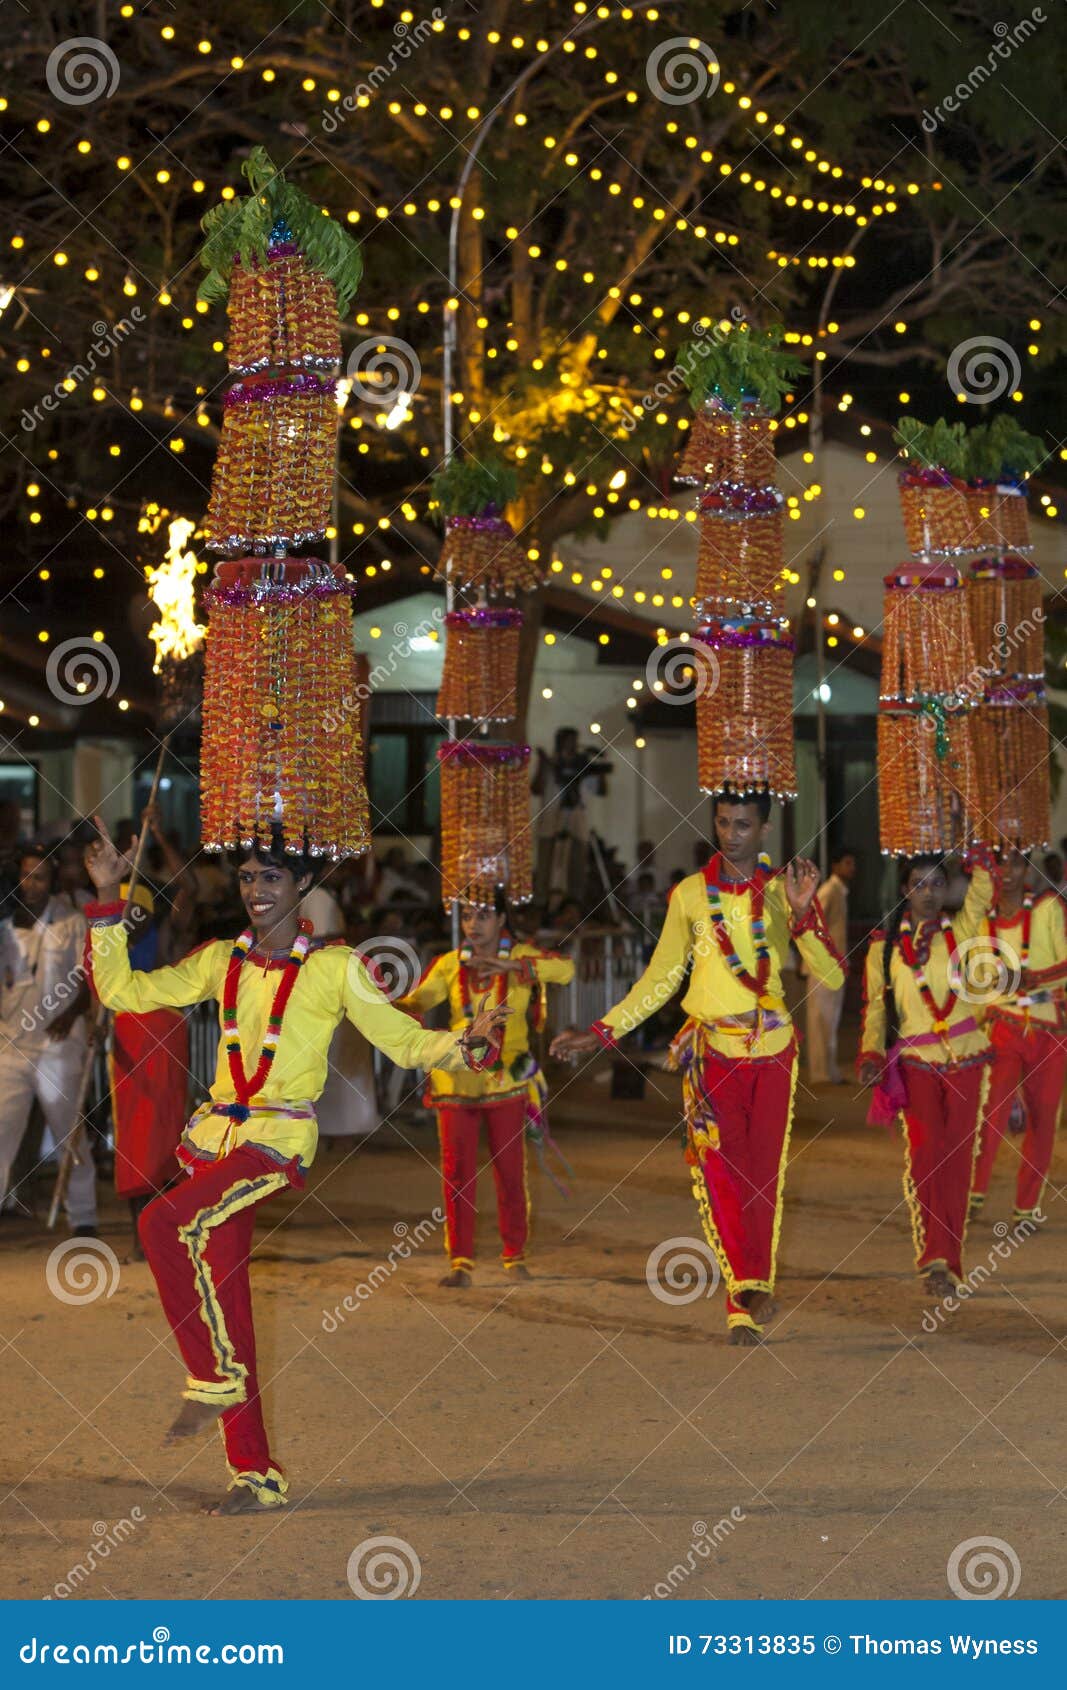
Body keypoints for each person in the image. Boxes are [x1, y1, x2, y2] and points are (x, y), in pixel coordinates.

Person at [84, 815, 509, 1516]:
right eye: (248, 876)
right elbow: (125, 993)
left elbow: (403, 1043)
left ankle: (211, 1378)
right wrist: (106, 903)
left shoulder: (336, 967)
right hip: (214, 1141)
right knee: (231, 1305)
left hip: (273, 1145)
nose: (255, 889)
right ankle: (255, 1472)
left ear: (305, 882)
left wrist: (471, 1046)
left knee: (162, 1223)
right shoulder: (219, 959)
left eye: (271, 877)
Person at [552, 790, 843, 1344]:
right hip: (712, 1055)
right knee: (722, 1173)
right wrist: (601, 1033)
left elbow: (831, 978)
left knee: (763, 1179)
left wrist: (804, 919)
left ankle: (755, 1279)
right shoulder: (689, 895)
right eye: (724, 822)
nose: (731, 833)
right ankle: (742, 1297)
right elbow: (660, 979)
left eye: (744, 824)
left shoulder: (785, 891)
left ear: (764, 830)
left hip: (774, 1049)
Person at [398, 897, 575, 1286]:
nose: (474, 925)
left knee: (510, 1171)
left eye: (484, 915)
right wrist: (384, 998)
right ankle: (459, 1260)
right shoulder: (450, 964)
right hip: (457, 1079)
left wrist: (512, 966)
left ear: (502, 918)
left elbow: (566, 970)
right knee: (457, 1173)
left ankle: (515, 1253)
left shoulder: (523, 958)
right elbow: (421, 999)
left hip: (505, 1081)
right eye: (468, 916)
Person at [857, 852, 996, 1298]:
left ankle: (945, 1258)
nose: (929, 893)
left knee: (957, 1160)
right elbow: (876, 1010)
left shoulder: (965, 930)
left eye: (938, 883)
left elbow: (982, 892)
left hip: (967, 1058)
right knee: (923, 1157)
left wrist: (980, 853)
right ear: (904, 890)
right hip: (916, 1062)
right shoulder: (883, 949)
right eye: (919, 883)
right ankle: (936, 1250)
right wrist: (870, 1052)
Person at [88, 806, 197, 1258]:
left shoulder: (167, 940)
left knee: (169, 1132)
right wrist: (98, 1023)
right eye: (125, 912)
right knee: (133, 1137)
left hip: (167, 1034)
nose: (131, 919)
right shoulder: (112, 945)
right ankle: (141, 1238)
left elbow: (187, 887)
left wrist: (157, 836)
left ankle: (168, 1232)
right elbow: (99, 980)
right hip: (128, 1039)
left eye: (138, 912)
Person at [0, 846, 96, 1233]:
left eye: (39, 876)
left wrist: (72, 1014)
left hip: (58, 1046)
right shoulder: (5, 924)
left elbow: (91, 978)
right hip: (11, 1044)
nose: (31, 884)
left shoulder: (71, 922)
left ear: (52, 880)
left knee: (68, 1134)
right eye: (25, 876)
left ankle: (84, 1218)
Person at [969, 849, 1067, 1223]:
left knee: (1043, 1121)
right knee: (989, 1113)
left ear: (1026, 867)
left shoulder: (1047, 908)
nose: (1005, 871)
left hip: (1047, 1028)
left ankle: (1025, 1207)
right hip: (1003, 1027)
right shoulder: (981, 918)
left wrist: (1036, 979)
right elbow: (978, 980)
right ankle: (973, 1194)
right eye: (997, 862)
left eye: (1013, 862)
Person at [805, 848, 857, 1084]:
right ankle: (820, 1073)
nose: (851, 868)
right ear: (835, 866)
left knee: (831, 1019)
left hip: (834, 965)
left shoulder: (839, 892)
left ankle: (830, 1071)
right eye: (847, 862)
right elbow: (812, 923)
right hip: (823, 966)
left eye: (852, 864)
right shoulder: (829, 890)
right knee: (821, 1019)